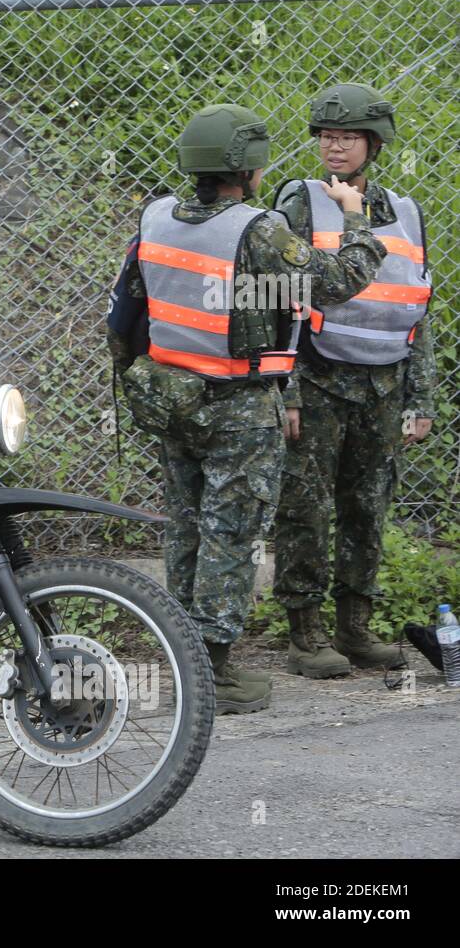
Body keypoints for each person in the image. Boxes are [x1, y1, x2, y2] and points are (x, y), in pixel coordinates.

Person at [107, 104, 385, 713]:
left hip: (171, 397)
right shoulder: (257, 229)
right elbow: (336, 282)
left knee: (184, 529)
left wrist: (140, 379)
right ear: (248, 168)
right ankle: (216, 673)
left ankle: (181, 656)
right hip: (235, 407)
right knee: (230, 538)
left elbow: (127, 309)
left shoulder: (155, 216)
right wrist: (357, 219)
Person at [271, 83, 435, 676]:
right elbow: (276, 298)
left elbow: (418, 306)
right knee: (306, 510)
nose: (334, 147)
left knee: (367, 509)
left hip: (385, 387)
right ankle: (306, 634)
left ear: (374, 144)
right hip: (317, 381)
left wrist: (421, 397)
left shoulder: (408, 212)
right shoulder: (300, 204)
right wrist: (283, 388)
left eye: (347, 137)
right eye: (326, 136)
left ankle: (355, 628)